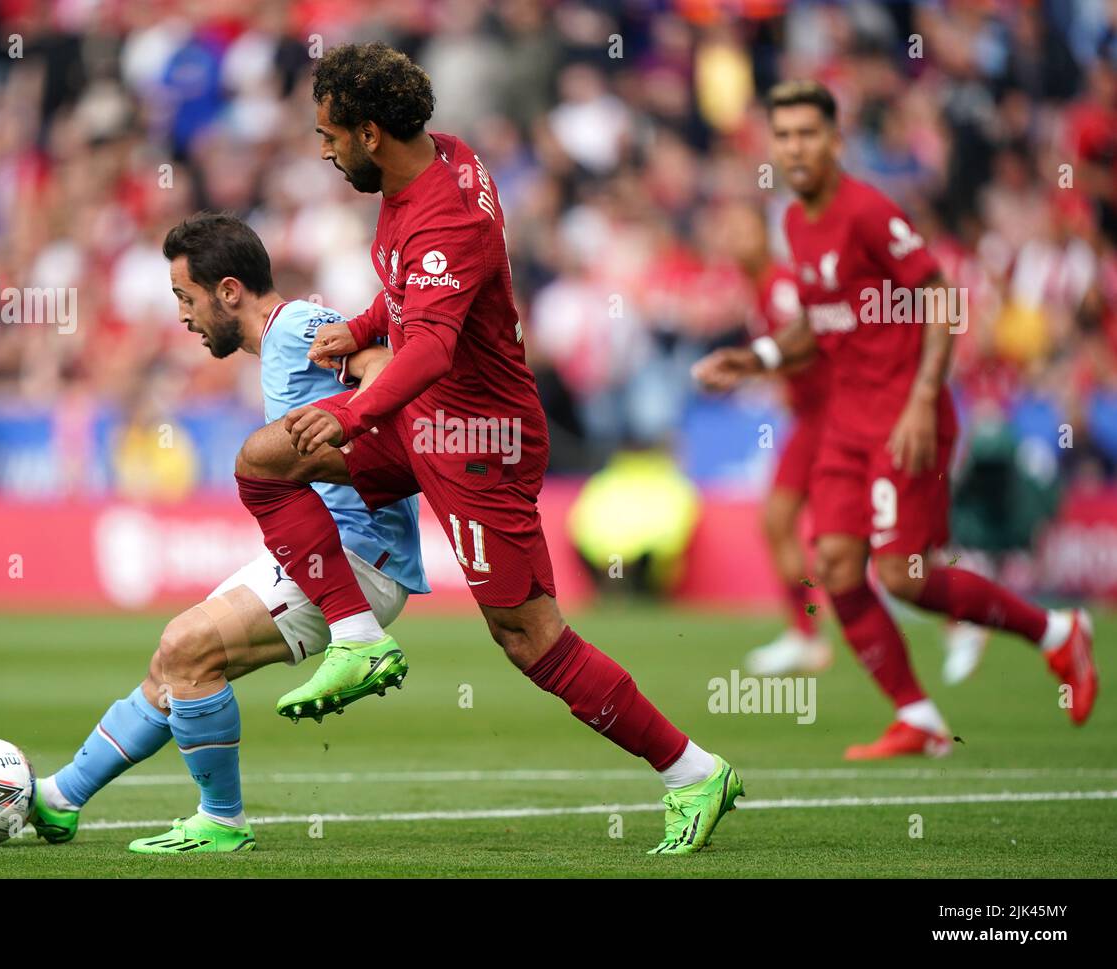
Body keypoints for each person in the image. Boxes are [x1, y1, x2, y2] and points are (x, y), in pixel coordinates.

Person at [232, 42, 742, 854]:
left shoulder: (445, 213)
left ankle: (691, 770)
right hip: (428, 422)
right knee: (264, 460)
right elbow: (420, 294)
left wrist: (354, 413)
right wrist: (362, 328)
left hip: (478, 444)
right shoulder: (446, 162)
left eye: (328, 135)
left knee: (528, 637)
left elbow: (433, 343)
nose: (321, 151)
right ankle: (359, 639)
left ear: (370, 132)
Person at [693, 81, 1097, 760]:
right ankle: (919, 717)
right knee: (837, 566)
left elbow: (943, 301)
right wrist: (757, 355)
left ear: (836, 141)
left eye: (808, 133)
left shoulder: (868, 213)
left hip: (903, 416)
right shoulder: (794, 221)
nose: (795, 147)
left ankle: (1058, 632)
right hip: (845, 422)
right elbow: (818, 324)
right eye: (784, 135)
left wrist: (919, 399)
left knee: (906, 574)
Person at [30, 213, 429, 853]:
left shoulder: (298, 326)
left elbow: (384, 368)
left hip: (357, 556)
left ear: (230, 291)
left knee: (187, 645)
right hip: (332, 553)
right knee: (173, 667)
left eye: (186, 298)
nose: (183, 317)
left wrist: (352, 424)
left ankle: (222, 820)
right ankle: (60, 798)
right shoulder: (276, 345)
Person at [721, 201, 833, 675]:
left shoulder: (780, 286)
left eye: (743, 230)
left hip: (833, 416)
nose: (734, 240)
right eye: (729, 231)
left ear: (765, 237)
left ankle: (807, 634)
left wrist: (758, 366)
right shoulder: (759, 291)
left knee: (791, 522)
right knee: (778, 520)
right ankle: (805, 633)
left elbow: (805, 344)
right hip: (811, 417)